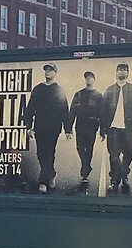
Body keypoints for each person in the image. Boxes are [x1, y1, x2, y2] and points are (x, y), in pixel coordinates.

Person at [23, 63, 69, 194]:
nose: (48, 72)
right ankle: (51, 173)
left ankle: (43, 181)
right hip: (40, 126)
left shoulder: (59, 90)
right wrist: (28, 126)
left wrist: (67, 129)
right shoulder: (38, 89)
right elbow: (30, 108)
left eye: (50, 70)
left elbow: (64, 110)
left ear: (55, 73)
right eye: (46, 70)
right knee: (41, 153)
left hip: (54, 127)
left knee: (49, 152)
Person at [100, 63, 132, 193]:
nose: (121, 72)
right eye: (119, 70)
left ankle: (124, 173)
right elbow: (103, 110)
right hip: (113, 128)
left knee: (130, 152)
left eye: (124, 70)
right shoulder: (109, 90)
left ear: (128, 73)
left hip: (127, 128)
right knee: (114, 156)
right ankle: (114, 182)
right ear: (116, 72)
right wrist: (103, 128)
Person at [67, 71, 105, 186]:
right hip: (80, 124)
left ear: (94, 80)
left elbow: (102, 114)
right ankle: (86, 166)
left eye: (90, 78)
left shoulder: (99, 96)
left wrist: (103, 130)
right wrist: (68, 129)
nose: (88, 80)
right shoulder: (78, 94)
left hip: (92, 125)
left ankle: (85, 173)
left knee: (89, 149)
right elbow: (72, 111)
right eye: (87, 78)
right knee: (79, 148)